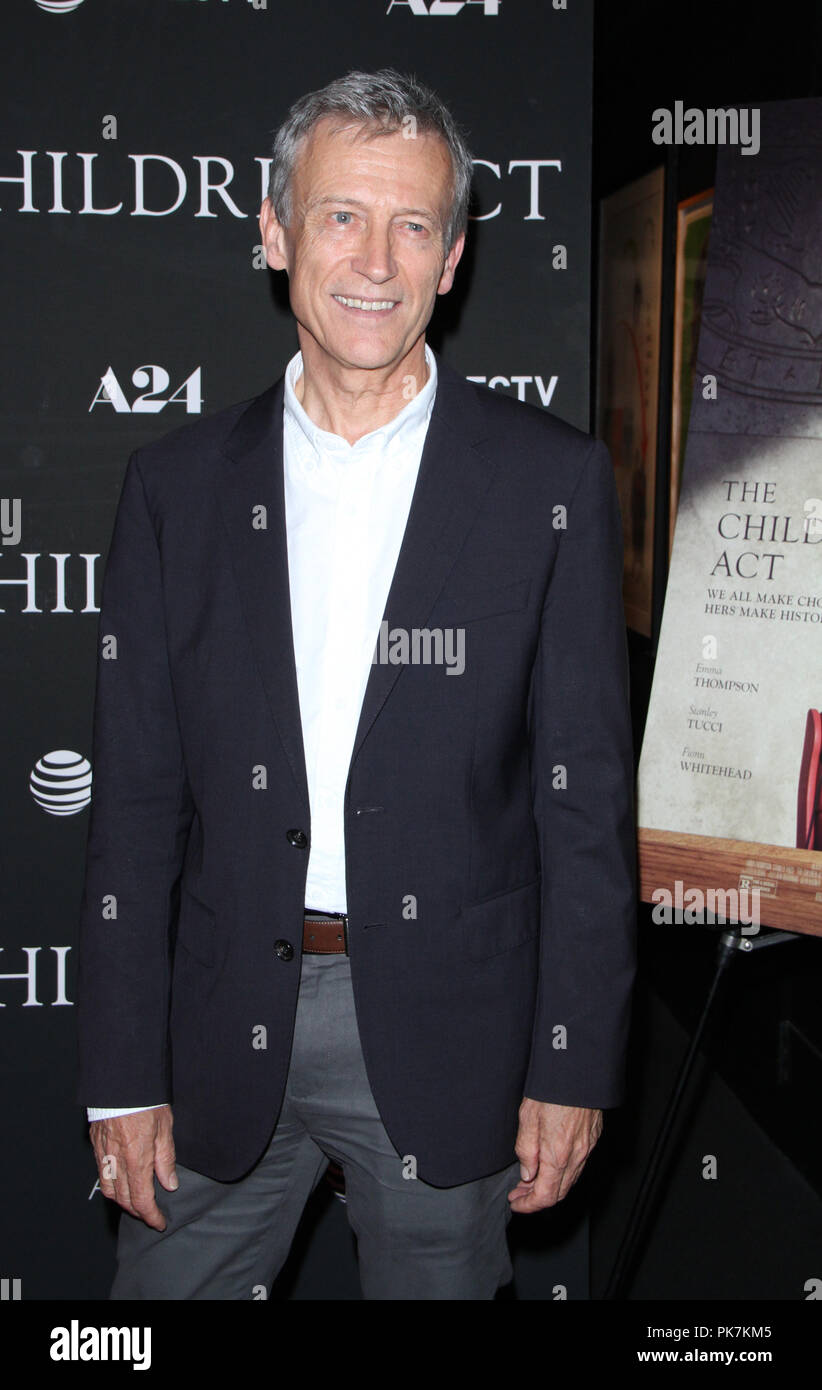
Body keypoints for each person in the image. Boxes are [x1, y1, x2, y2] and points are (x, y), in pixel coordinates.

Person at [76, 68, 636, 1301]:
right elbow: (133, 806)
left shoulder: (549, 483)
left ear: (454, 257)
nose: (375, 259)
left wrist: (573, 1058)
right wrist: (121, 1069)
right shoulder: (177, 489)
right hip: (220, 1019)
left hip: (458, 1030)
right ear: (274, 233)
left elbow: (582, 798)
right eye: (340, 216)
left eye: (414, 224)